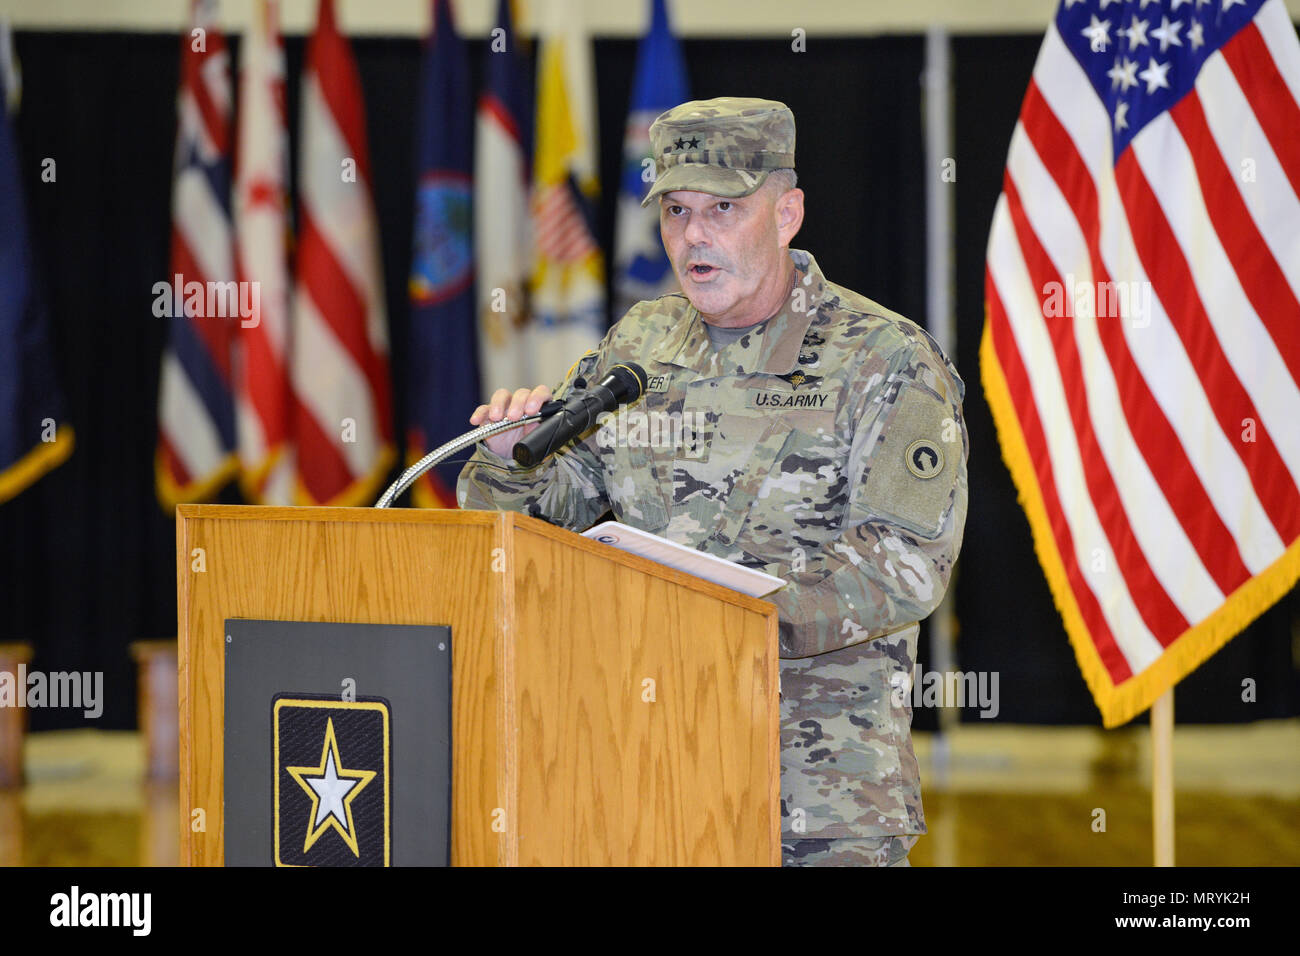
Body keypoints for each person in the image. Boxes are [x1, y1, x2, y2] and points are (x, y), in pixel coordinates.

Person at [457, 97, 969, 867]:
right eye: (675, 209)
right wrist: (509, 459)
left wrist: (712, 619)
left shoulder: (885, 358)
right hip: (639, 781)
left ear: (787, 212)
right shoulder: (641, 343)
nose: (693, 235)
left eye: (723, 208)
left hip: (815, 805)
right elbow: (542, 517)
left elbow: (906, 564)